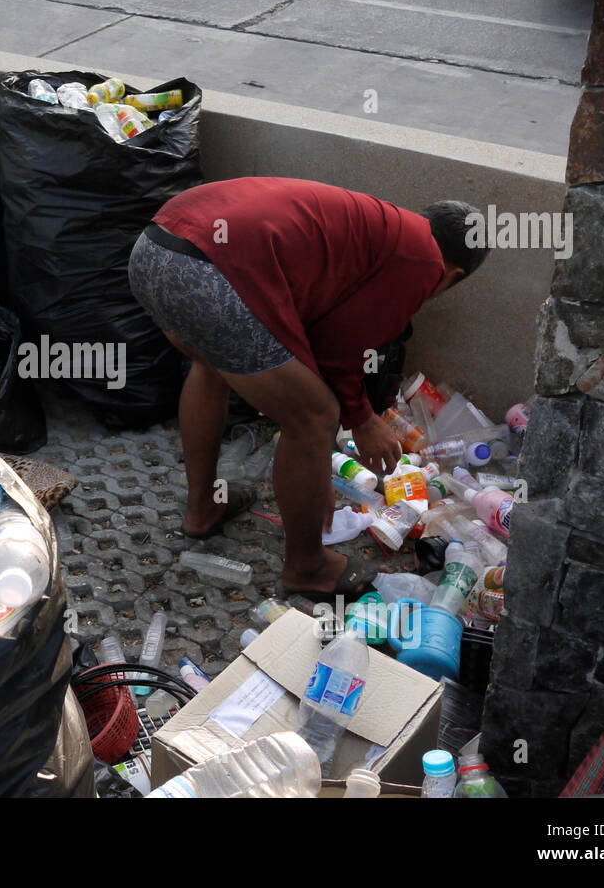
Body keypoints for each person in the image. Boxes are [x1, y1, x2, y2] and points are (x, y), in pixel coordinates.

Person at [128, 177, 487, 597]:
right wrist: (362, 420)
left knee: (210, 367)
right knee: (315, 415)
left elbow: (319, 334)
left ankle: (203, 508)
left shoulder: (386, 225)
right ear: (453, 275)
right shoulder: (422, 261)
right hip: (209, 275)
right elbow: (340, 348)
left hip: (155, 249)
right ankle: (308, 566)